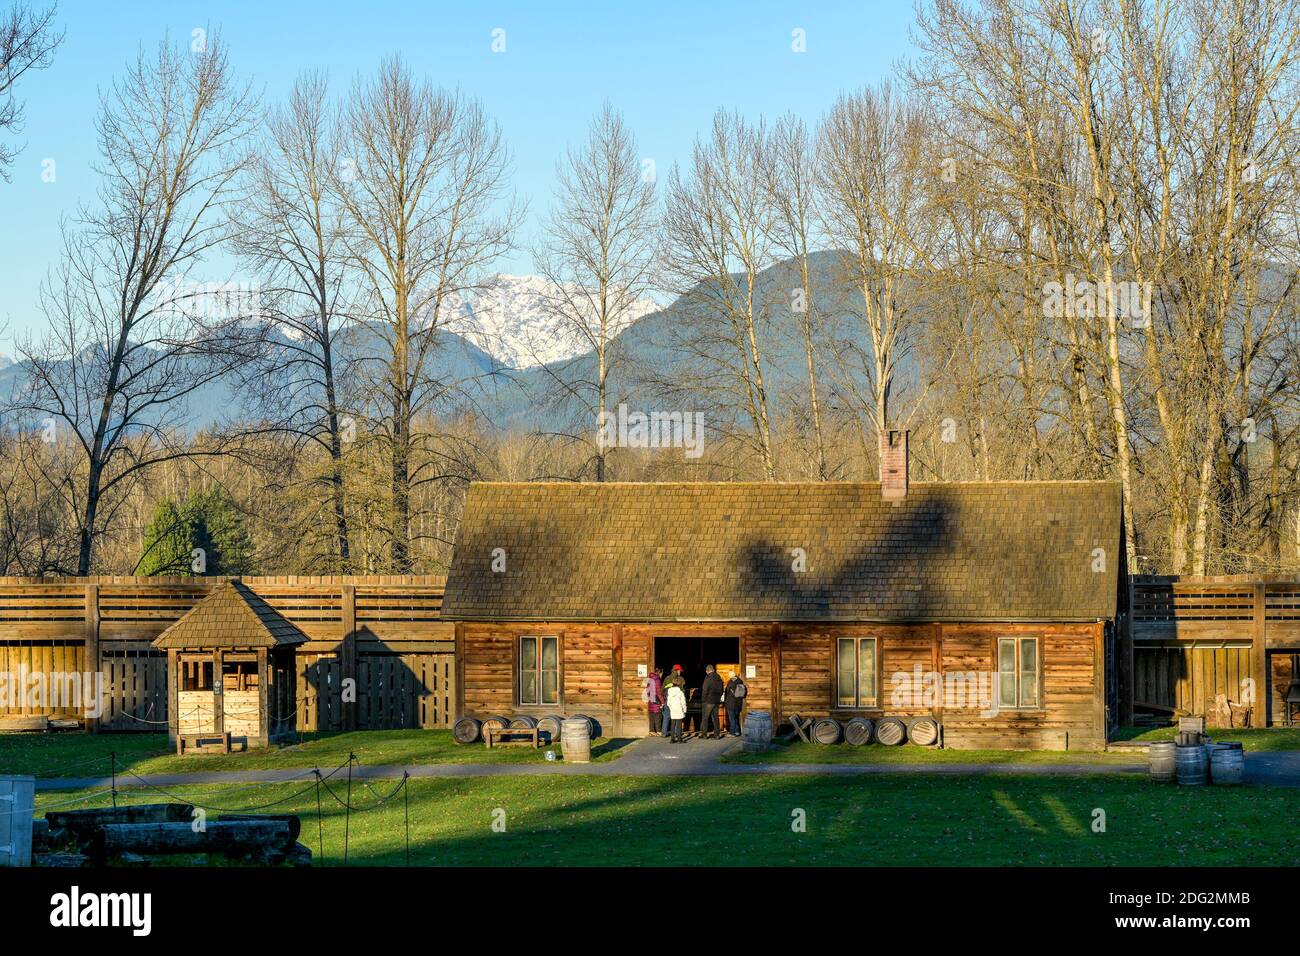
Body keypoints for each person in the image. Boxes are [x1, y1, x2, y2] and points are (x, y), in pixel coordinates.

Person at [699, 664, 724, 739]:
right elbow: (722, 690)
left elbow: (705, 689)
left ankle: (704, 734)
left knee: (705, 718)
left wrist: (703, 699)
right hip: (716, 700)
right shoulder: (719, 677)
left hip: (708, 701)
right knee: (715, 718)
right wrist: (718, 697)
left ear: (707, 670)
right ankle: (717, 735)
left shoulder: (708, 678)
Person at [662, 664, 685, 738]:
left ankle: (664, 733)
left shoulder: (667, 678)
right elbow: (682, 690)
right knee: (677, 717)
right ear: (676, 671)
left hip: (668, 700)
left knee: (666, 716)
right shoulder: (681, 679)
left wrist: (665, 696)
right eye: (679, 671)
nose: (680, 672)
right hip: (677, 702)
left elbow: (662, 689)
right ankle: (676, 733)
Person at [724, 669, 747, 736]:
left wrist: (726, 701)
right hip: (738, 703)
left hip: (731, 703)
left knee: (732, 718)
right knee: (736, 717)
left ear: (730, 675)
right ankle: (737, 731)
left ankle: (732, 732)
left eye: (729, 674)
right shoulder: (740, 681)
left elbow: (727, 692)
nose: (728, 676)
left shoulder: (731, 682)